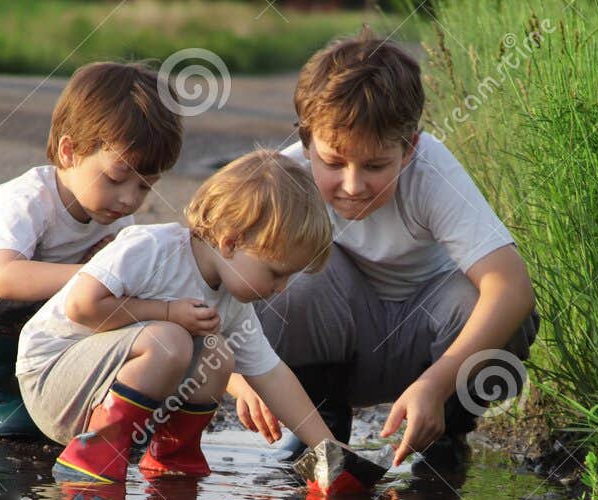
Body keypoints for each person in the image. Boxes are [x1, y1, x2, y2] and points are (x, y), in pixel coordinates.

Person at [229, 28, 540, 472]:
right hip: (339, 339)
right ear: (306, 142)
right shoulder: (287, 178)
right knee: (288, 273)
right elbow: (204, 280)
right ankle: (319, 432)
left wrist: (434, 386)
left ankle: (442, 436)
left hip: (426, 349)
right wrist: (236, 378)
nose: (353, 186)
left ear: (409, 148)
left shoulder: (431, 170)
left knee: (493, 308)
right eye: (334, 163)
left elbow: (512, 288)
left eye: (375, 166)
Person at [15, 148, 338, 485]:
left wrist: (329, 449)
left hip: (100, 393)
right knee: (170, 339)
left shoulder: (232, 303)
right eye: (275, 273)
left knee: (218, 354)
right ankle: (94, 453)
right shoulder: (153, 248)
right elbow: (82, 306)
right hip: (51, 379)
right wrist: (166, 312)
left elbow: (271, 375)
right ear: (230, 242)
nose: (282, 289)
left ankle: (171, 458)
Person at [0, 60, 181, 433]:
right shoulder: (27, 200)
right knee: (4, 274)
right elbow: (6, 281)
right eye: (116, 178)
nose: (128, 199)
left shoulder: (117, 221)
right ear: (69, 152)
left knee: (119, 287)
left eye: (145, 186)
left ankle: (56, 394)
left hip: (18, 341)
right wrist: (95, 275)